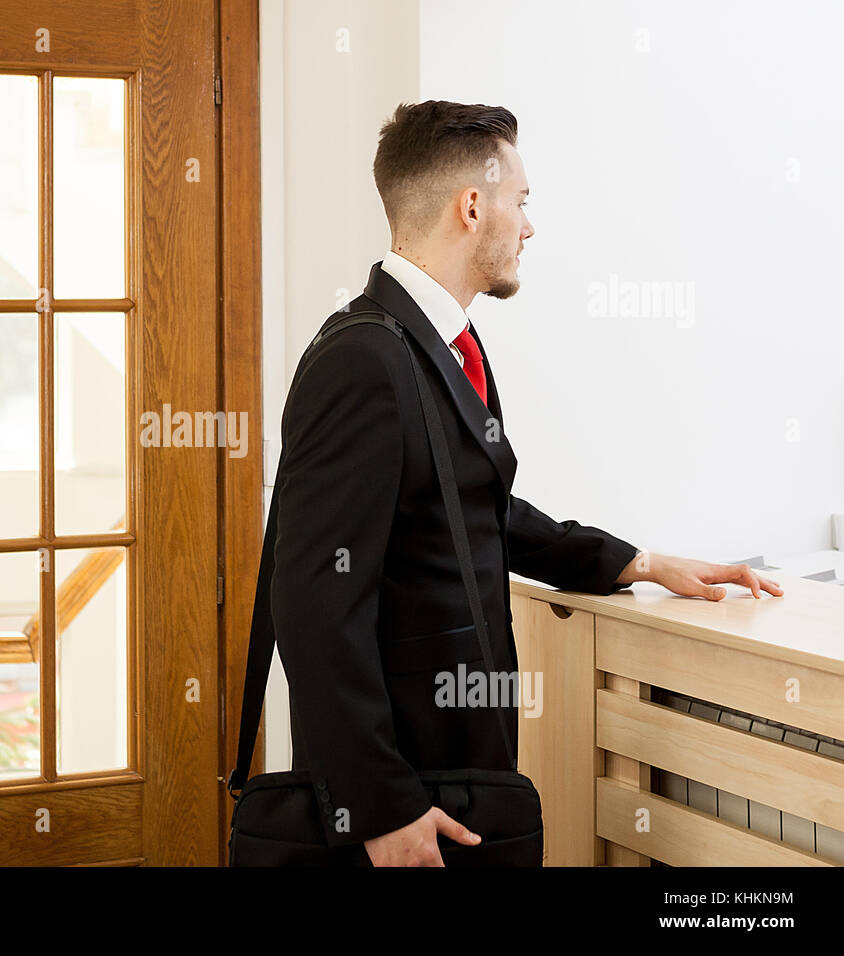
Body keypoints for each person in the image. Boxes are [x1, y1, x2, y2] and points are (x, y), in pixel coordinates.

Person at [265, 101, 783, 868]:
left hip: (461, 764)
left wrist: (636, 562)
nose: (530, 226)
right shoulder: (365, 359)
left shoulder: (443, 341)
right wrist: (381, 806)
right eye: (523, 202)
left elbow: (471, 507)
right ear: (473, 206)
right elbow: (310, 601)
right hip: (406, 798)